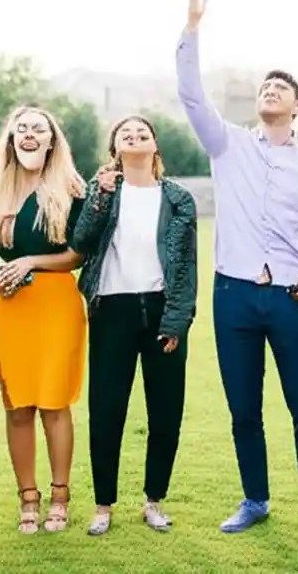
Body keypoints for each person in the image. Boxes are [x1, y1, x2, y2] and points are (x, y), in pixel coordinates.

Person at [177, 0, 298, 543]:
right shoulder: (227, 145)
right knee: (244, 408)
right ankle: (255, 499)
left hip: (292, 299)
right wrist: (193, 28)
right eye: (265, 86)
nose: (271, 90)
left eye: (282, 88)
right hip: (234, 296)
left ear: (297, 107)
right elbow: (192, 96)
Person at [70, 115, 199, 536]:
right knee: (107, 410)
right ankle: (103, 505)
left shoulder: (177, 198)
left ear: (155, 146)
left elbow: (186, 268)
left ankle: (153, 501)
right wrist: (98, 199)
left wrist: (177, 321)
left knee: (166, 411)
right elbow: (81, 242)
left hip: (162, 310)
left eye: (143, 132)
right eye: (125, 132)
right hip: (112, 310)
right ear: (115, 148)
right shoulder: (103, 190)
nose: (134, 135)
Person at [0, 105, 87, 535]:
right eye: (20, 128)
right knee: (17, 405)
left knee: (54, 403)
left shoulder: (71, 189)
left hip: (57, 304)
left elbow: (77, 255)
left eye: (37, 129)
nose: (28, 135)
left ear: (51, 140)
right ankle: (28, 498)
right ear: (10, 138)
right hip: (9, 306)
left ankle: (60, 497)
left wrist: (27, 261)